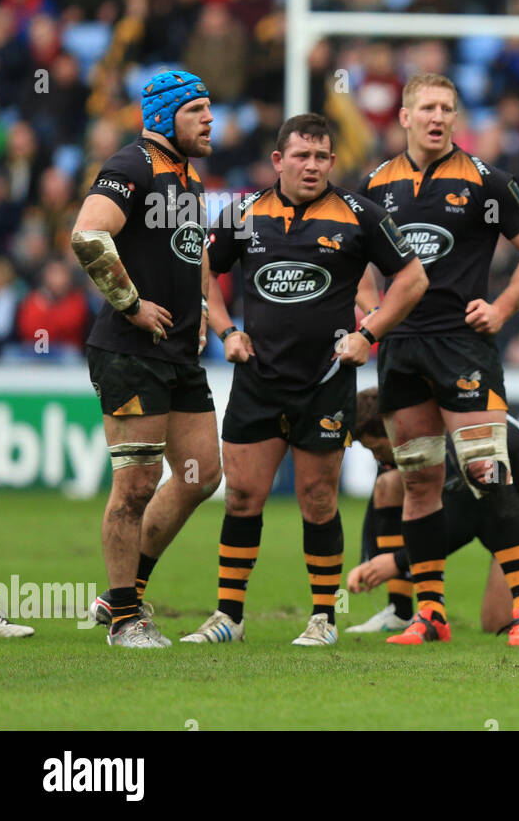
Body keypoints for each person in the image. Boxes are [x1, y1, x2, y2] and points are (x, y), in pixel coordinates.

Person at [181, 113, 426, 646]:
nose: (312, 165)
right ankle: (229, 617)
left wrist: (371, 332)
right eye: (301, 156)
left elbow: (413, 278)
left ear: (332, 162)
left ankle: (322, 618)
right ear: (278, 160)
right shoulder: (243, 213)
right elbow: (203, 270)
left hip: (325, 381)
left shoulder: (362, 214)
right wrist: (225, 331)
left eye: (321, 157)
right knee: (243, 495)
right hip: (258, 378)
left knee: (318, 498)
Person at [358, 74, 519, 647]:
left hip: (460, 347)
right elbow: (352, 261)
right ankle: (431, 614)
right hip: (401, 351)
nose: (437, 117)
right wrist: (372, 314)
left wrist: (502, 308)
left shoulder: (485, 181)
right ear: (403, 117)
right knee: (418, 482)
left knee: (486, 473)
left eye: (447, 108)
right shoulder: (374, 184)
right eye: (426, 107)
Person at [72, 70, 222, 648]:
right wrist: (132, 305)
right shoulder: (131, 166)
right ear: (163, 116)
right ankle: (127, 620)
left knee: (200, 474)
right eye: (198, 110)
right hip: (130, 351)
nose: (211, 119)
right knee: (136, 485)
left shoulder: (190, 180)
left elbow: (194, 250)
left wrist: (204, 304)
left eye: (211, 109)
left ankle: (120, 592)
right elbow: (88, 236)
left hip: (180, 354)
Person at [343, 388, 519, 636]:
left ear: (393, 430)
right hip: (479, 502)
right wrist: (371, 559)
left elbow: (459, 524)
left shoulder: (450, 440)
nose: (377, 458)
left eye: (376, 449)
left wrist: (397, 562)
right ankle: (399, 612)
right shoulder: (413, 433)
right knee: (389, 483)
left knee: (500, 622)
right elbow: (381, 504)